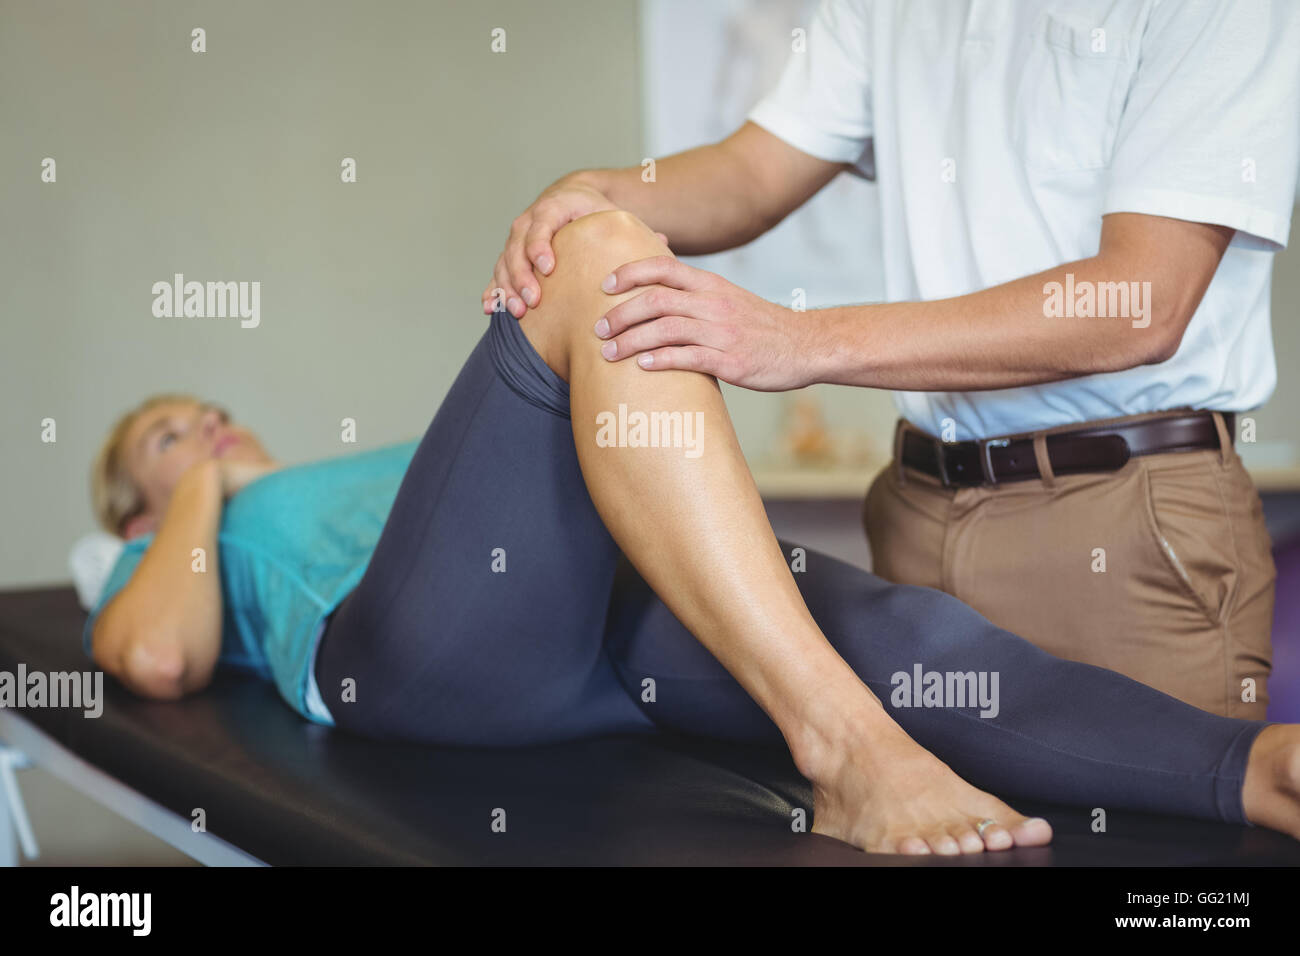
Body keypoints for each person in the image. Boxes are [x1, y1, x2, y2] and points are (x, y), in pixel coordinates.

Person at [87, 210, 1300, 857]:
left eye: (208, 416)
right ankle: (847, 753)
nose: (203, 426)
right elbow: (154, 658)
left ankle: (1243, 766)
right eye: (164, 436)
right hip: (417, 664)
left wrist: (191, 451)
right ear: (137, 512)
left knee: (883, 630)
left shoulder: (378, 473)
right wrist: (200, 480)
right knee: (602, 255)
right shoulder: (184, 540)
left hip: (600, 611)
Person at [482, 0, 1300, 721]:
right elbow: (753, 170)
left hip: (1128, 521)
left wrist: (800, 340)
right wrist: (592, 197)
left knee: (1164, 858)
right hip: (919, 510)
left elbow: (1140, 301)